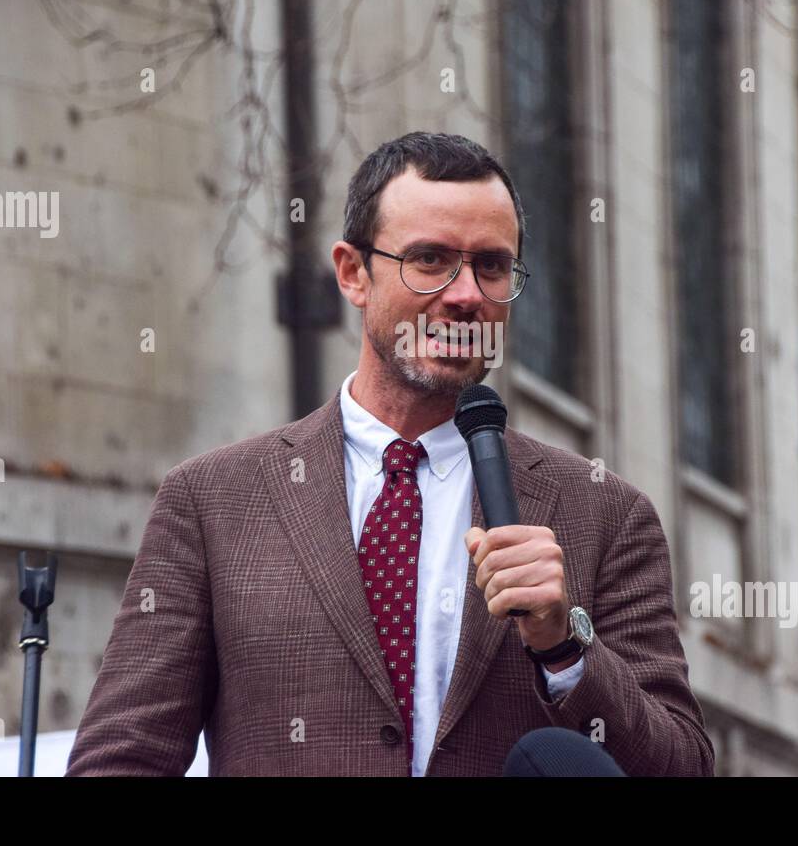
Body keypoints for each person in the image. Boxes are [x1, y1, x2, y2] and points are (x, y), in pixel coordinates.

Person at [66, 132, 713, 776]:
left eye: (491, 265)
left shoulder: (604, 514)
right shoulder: (215, 502)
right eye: (430, 259)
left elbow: (681, 766)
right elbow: (122, 760)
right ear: (353, 273)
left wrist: (565, 648)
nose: (466, 295)